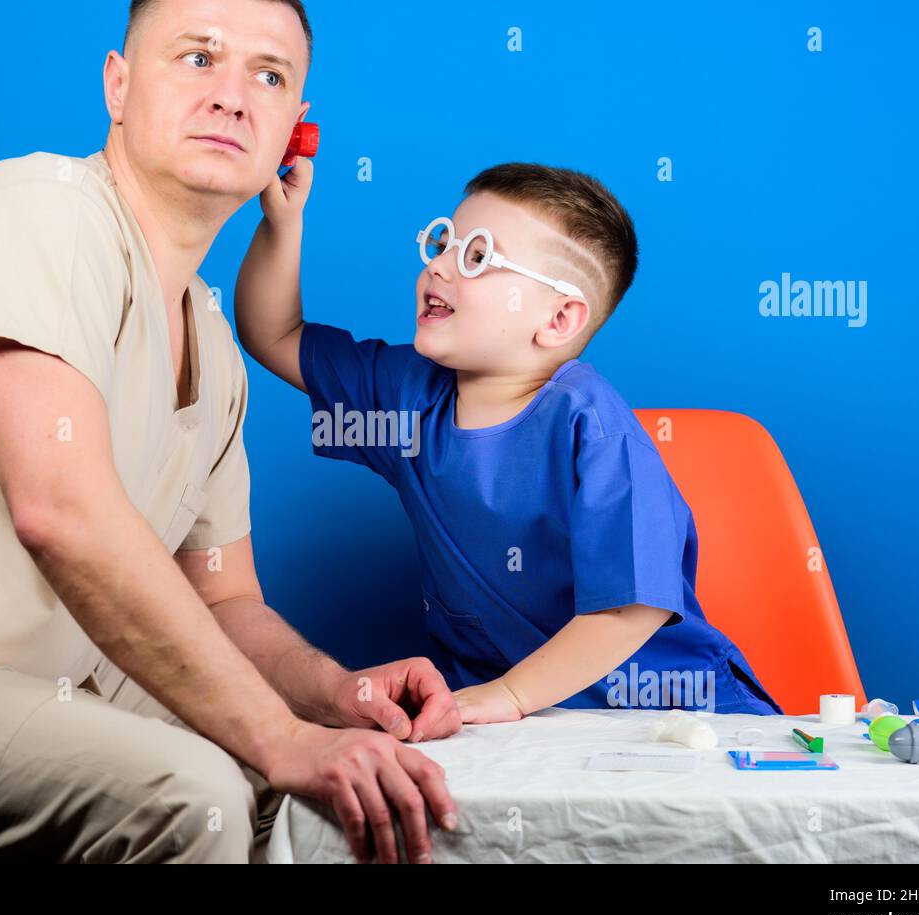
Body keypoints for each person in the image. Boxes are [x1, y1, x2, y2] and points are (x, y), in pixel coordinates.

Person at [0, 0, 462, 866]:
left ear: (295, 131)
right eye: (196, 57)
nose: (231, 97)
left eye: (269, 76)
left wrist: (338, 693)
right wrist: (278, 736)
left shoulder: (212, 346)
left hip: (38, 693)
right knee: (197, 796)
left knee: (317, 798)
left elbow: (226, 603)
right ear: (117, 84)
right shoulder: (42, 213)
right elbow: (60, 511)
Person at [233, 158, 784, 723]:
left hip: (671, 715)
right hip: (511, 725)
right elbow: (273, 333)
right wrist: (283, 222)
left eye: (477, 257)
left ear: (559, 319)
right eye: (444, 242)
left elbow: (631, 610)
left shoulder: (595, 429)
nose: (440, 267)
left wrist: (513, 695)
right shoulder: (406, 394)